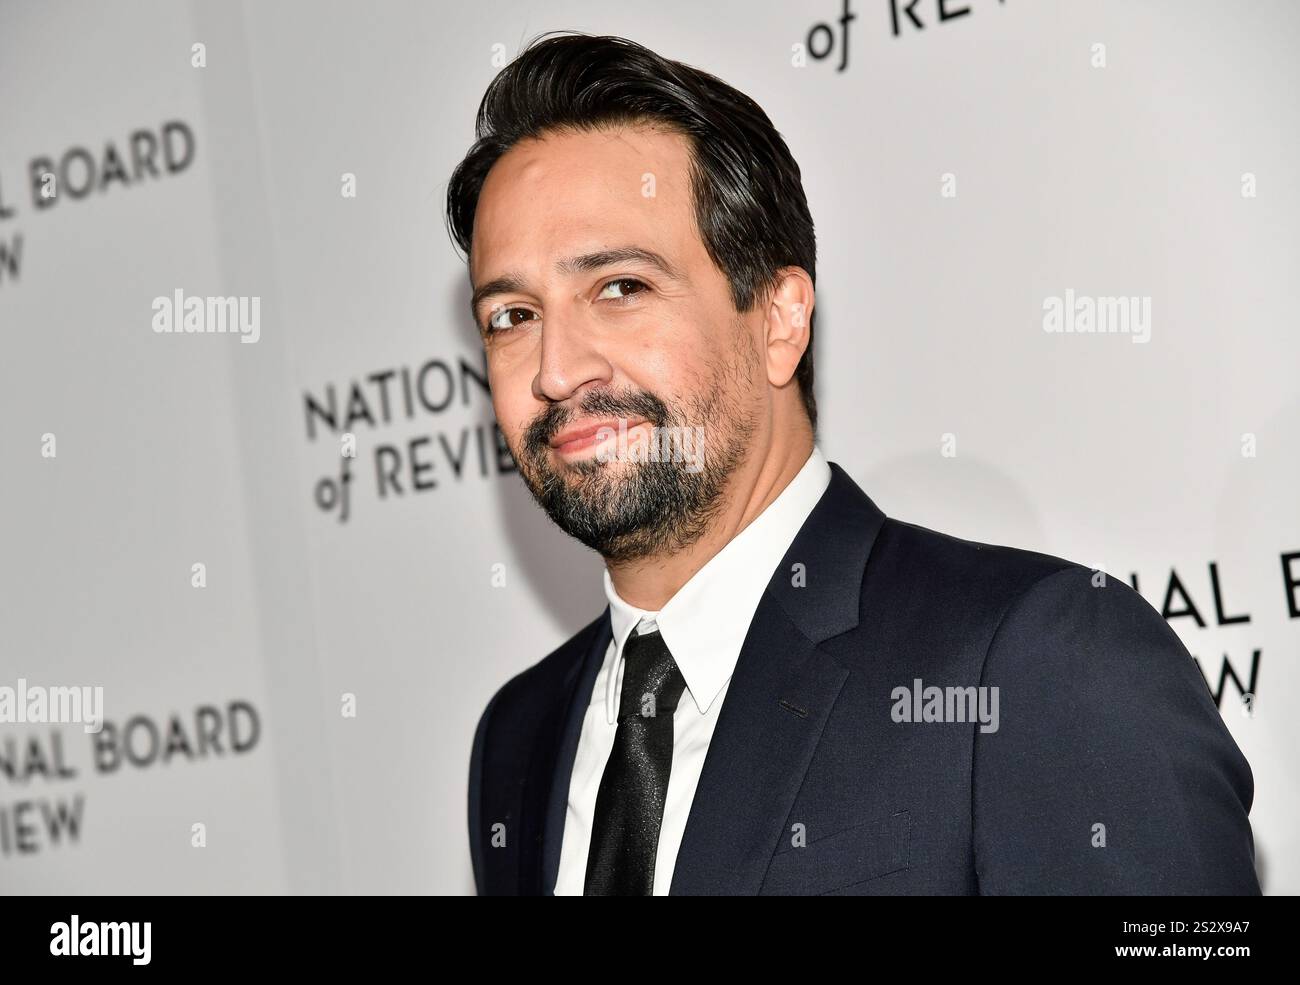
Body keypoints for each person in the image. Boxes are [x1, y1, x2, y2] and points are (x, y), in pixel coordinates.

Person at [446, 32, 1260, 895]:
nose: (557, 369)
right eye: (511, 315)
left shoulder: (1036, 664)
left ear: (778, 320)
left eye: (621, 288)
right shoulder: (521, 736)